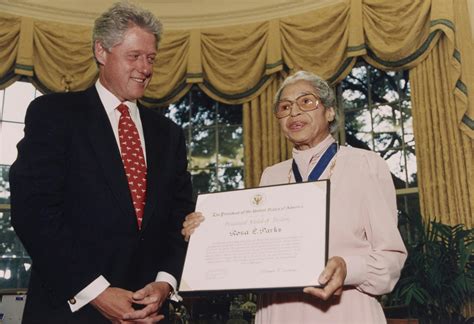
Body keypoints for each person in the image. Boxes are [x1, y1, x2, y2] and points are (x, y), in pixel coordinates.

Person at [9, 2, 194, 323]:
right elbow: (33, 213)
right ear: (101, 52)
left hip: (150, 314)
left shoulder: (170, 135)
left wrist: (165, 282)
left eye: (150, 58)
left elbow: (180, 219)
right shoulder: (53, 115)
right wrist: (96, 292)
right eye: (134, 56)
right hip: (71, 311)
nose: (145, 68)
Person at [183, 71, 407, 323]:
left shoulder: (364, 165)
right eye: (285, 107)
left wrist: (348, 268)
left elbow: (391, 258)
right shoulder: (271, 175)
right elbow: (254, 249)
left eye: (306, 102)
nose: (294, 113)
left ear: (330, 111)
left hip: (345, 310)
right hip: (278, 312)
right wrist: (207, 234)